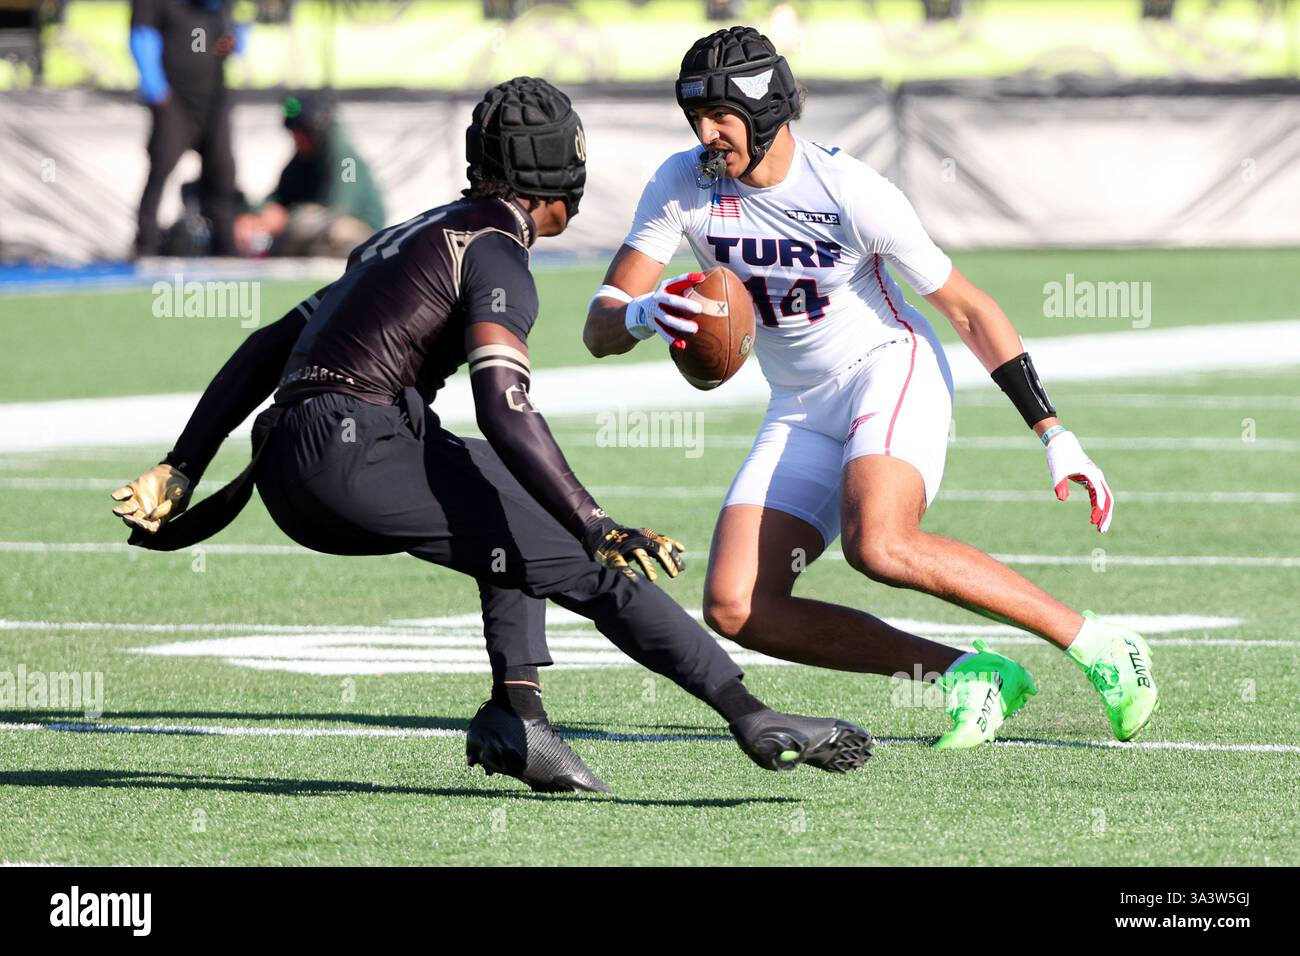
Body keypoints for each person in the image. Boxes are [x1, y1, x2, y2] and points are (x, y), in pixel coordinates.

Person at [110, 76, 874, 793]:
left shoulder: (410, 233)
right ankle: (749, 714)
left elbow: (267, 346)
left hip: (285, 460)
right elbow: (504, 406)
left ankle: (520, 715)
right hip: (356, 452)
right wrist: (596, 523)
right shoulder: (496, 250)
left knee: (503, 500)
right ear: (561, 177)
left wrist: (182, 466)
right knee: (588, 561)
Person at [583, 27, 1159, 749]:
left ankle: (1097, 642)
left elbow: (969, 309)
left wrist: (1053, 432)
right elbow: (598, 327)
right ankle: (964, 674)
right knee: (736, 606)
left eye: (721, 116)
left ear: (766, 113)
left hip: (888, 366)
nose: (707, 133)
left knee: (880, 545)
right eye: (695, 116)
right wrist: (642, 313)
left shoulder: (849, 189)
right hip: (799, 401)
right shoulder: (682, 181)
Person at [130, 0, 242, 256]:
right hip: (175, 102)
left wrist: (232, 42)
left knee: (222, 172)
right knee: (161, 169)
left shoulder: (215, 6)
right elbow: (142, 37)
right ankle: (145, 245)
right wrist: (155, 89)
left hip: (214, 101)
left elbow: (234, 34)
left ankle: (226, 246)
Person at [234, 95, 387, 258]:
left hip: (359, 231)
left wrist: (285, 218)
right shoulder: (304, 156)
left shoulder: (346, 159)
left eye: (301, 134)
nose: (297, 141)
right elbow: (281, 195)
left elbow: (341, 209)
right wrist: (258, 215)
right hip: (318, 229)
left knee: (325, 229)